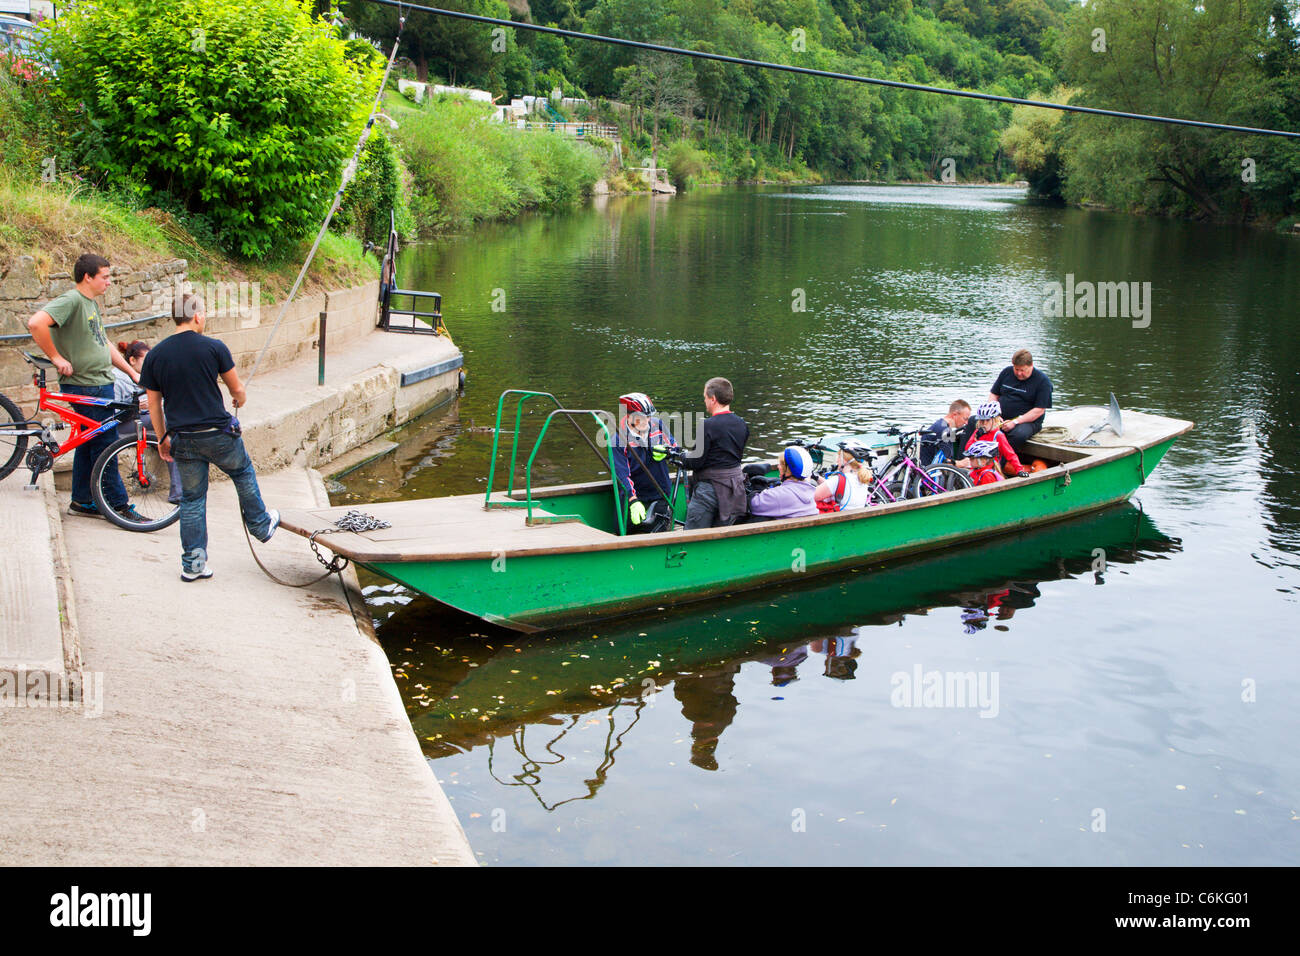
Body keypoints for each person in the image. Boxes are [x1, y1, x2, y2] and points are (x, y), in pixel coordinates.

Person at [142, 293, 278, 581]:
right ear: (198, 316)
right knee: (242, 473)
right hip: (217, 434)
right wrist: (240, 399)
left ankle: (193, 565)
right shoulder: (215, 347)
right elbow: (237, 390)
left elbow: (154, 404)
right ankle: (261, 525)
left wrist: (162, 437)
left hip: (183, 438)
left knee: (192, 500)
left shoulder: (155, 355)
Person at [26, 253, 141, 520]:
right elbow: (36, 323)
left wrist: (131, 372)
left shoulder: (89, 304)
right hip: (86, 385)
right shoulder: (72, 300)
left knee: (88, 443)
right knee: (106, 444)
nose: (109, 282)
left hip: (100, 383)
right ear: (87, 277)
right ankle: (119, 507)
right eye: (105, 277)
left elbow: (104, 343)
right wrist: (56, 357)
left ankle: (82, 501)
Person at [114, 340, 183, 503]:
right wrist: (135, 407)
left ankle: (179, 493)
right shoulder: (117, 378)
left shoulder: (148, 377)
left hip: (145, 423)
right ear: (132, 360)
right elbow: (112, 416)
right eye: (146, 361)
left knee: (174, 439)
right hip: (125, 425)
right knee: (169, 421)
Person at [682, 377, 749, 529]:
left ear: (713, 399)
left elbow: (695, 462)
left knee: (692, 537)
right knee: (722, 536)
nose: (705, 401)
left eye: (705, 398)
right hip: (735, 489)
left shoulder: (707, 425)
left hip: (709, 491)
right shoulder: (742, 424)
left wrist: (681, 457)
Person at [611, 391, 679, 534]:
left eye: (648, 417)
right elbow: (622, 475)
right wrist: (633, 500)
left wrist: (667, 452)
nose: (647, 421)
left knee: (659, 532)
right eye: (641, 418)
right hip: (635, 496)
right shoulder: (617, 440)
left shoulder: (658, 426)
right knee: (624, 532)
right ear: (629, 416)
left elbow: (676, 448)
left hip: (660, 493)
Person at [989, 349, 1052, 451]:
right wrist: (994, 413)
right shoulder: (1006, 372)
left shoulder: (1043, 382)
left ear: (1031, 365)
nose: (1019, 373)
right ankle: (963, 460)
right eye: (1016, 369)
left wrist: (1015, 422)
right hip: (1000, 418)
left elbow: (1039, 410)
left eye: (1022, 370)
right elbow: (994, 395)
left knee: (1018, 435)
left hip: (1026, 422)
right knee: (973, 421)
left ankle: (998, 462)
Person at [956, 402, 1028, 477]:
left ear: (995, 420)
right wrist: (976, 438)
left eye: (987, 420)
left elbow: (1010, 454)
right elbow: (967, 448)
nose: (984, 423)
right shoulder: (978, 432)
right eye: (982, 420)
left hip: (990, 471)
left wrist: (1019, 470)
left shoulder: (999, 436)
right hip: (975, 468)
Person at [748, 446, 819, 520]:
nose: (778, 466)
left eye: (781, 464)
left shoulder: (779, 495)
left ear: (788, 471)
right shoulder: (809, 491)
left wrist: (754, 487)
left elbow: (752, 505)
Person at [813, 441, 873, 511]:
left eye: (839, 457)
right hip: (855, 520)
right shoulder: (862, 478)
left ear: (844, 460)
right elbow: (833, 487)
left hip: (837, 521)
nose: (837, 461)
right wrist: (817, 478)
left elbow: (809, 497)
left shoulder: (838, 480)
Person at [921, 399, 971, 466]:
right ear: (954, 415)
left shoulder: (940, 424)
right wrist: (961, 463)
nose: (966, 423)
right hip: (933, 472)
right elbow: (945, 464)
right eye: (965, 419)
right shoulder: (946, 431)